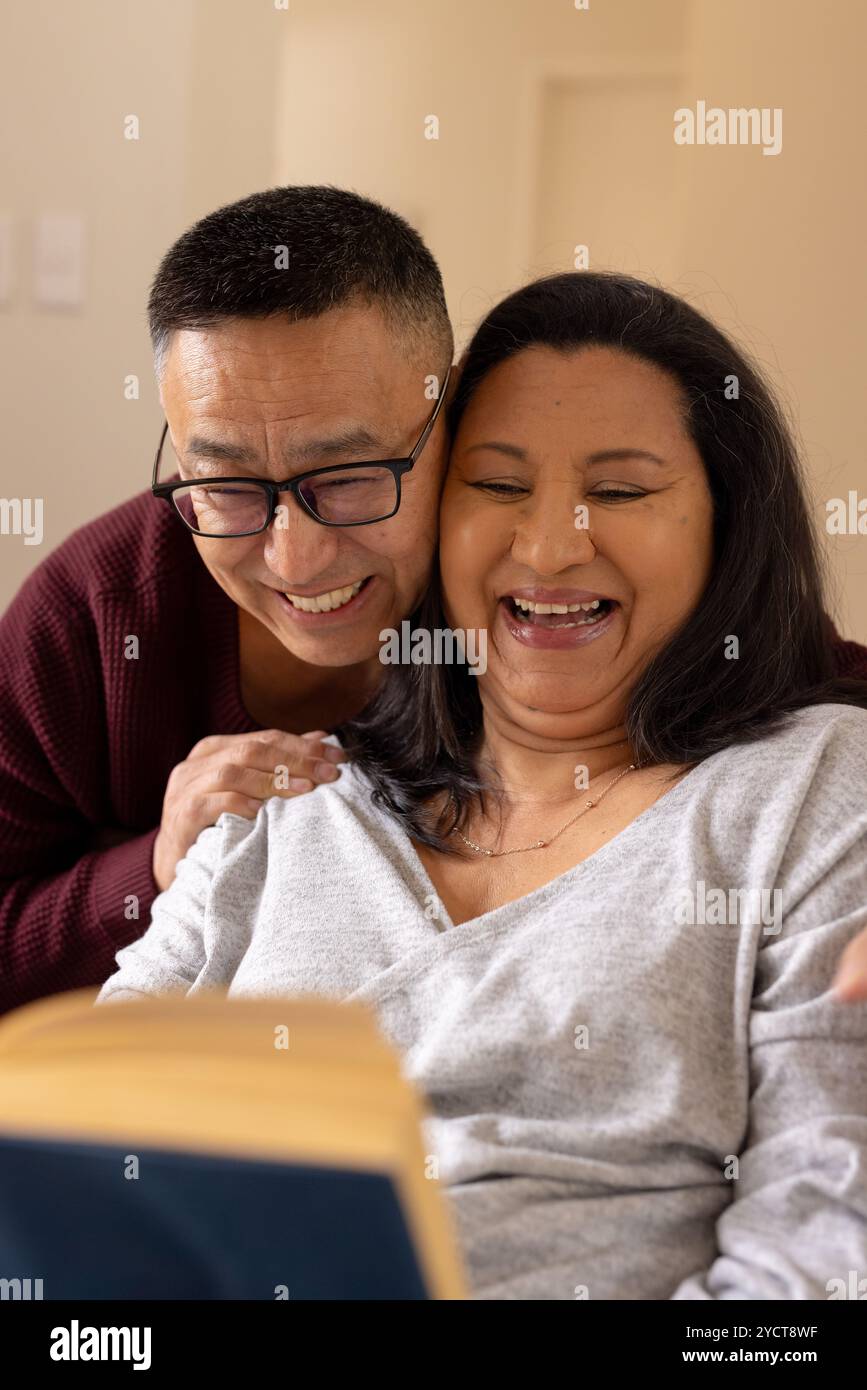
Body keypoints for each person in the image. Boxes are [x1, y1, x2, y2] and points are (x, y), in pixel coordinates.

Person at [99, 272, 867, 1300]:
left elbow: (819, 1256)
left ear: (726, 524)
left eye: (626, 491)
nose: (549, 547)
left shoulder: (810, 796)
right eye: (499, 487)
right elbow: (77, 1148)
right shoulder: (282, 806)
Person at [0, 186, 452, 1011]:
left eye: (346, 478)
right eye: (227, 485)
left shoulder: (526, 605)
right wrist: (152, 870)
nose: (295, 555)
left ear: (445, 416)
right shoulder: (95, 615)